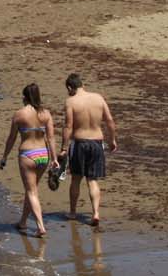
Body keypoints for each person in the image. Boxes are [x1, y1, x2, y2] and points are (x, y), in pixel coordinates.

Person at [0, 83, 57, 236]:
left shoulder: (20, 114)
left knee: (31, 192)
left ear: (25, 97)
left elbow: (11, 138)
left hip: (28, 155)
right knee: (32, 190)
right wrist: (55, 158)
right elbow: (51, 138)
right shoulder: (46, 114)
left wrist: (4, 156)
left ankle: (40, 227)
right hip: (43, 154)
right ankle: (23, 221)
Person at [61, 73, 118, 226]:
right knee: (92, 180)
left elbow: (68, 127)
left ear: (69, 87)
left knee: (76, 179)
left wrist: (64, 148)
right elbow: (110, 121)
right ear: (82, 84)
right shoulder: (98, 98)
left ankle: (73, 212)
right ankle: (96, 213)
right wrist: (112, 140)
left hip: (80, 142)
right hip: (97, 142)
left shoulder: (71, 102)